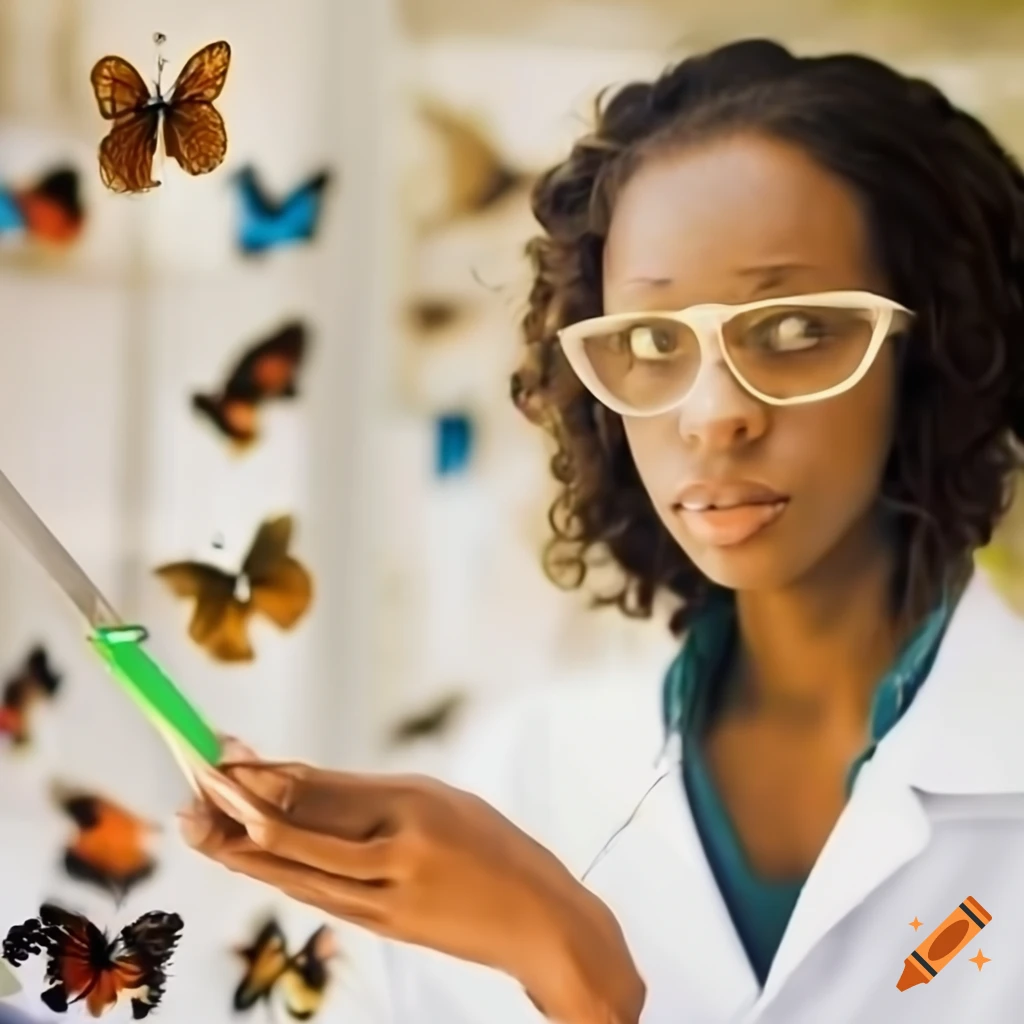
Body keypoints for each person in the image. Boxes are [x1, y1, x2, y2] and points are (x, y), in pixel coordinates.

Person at [179, 38, 1024, 1023]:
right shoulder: (522, 771)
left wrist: (573, 966)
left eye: (793, 329)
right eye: (652, 341)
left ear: (935, 348)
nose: (711, 414)